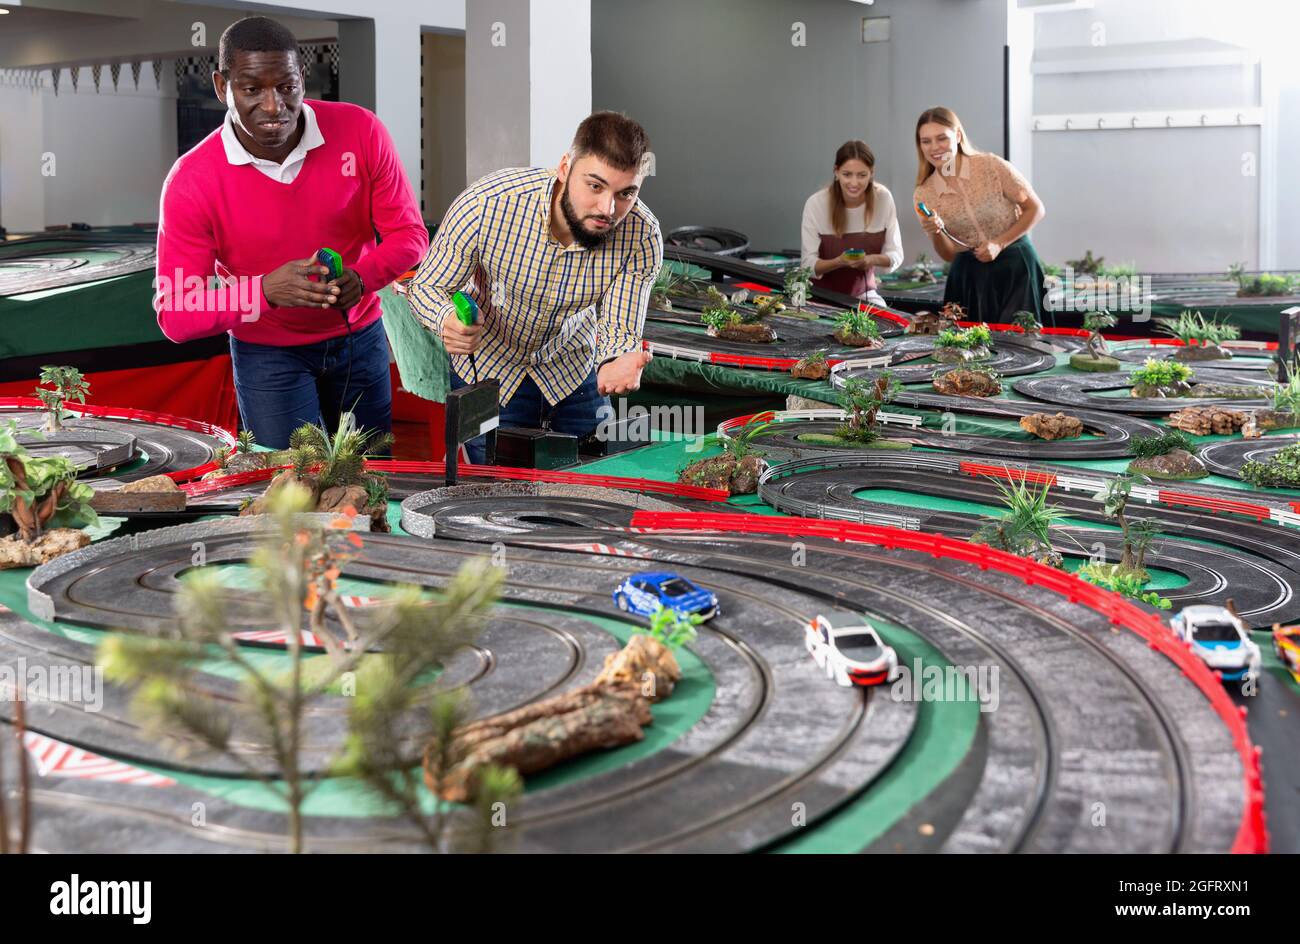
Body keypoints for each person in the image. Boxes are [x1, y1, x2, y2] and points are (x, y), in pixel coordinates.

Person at [153, 16, 428, 447]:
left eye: (286, 86)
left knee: (373, 474)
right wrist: (266, 291)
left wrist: (362, 277)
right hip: (268, 355)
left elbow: (410, 236)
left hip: (360, 338)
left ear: (302, 78)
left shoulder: (360, 130)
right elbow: (176, 313)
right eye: (251, 89)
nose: (272, 105)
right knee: (293, 490)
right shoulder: (191, 179)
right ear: (222, 86)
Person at [407, 111, 662, 464]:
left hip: (573, 370)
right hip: (489, 367)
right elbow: (427, 287)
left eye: (626, 193)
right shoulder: (487, 205)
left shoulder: (642, 236)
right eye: (595, 185)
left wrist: (617, 358)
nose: (608, 208)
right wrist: (445, 318)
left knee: (590, 487)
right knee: (495, 495)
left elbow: (620, 325)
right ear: (564, 168)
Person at [912, 106, 1047, 323]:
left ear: (957, 135)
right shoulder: (923, 194)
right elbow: (948, 255)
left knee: (1022, 344)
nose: (934, 147)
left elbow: (1036, 209)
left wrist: (999, 243)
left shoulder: (991, 166)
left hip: (1016, 268)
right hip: (968, 278)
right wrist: (936, 232)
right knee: (972, 352)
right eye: (926, 141)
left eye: (941, 138)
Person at [800, 139, 903, 307]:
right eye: (847, 174)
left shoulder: (883, 198)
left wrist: (870, 260)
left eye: (862, 175)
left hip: (863, 294)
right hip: (820, 297)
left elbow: (896, 255)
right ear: (836, 171)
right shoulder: (816, 203)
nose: (854, 183)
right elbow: (807, 265)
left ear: (871, 173)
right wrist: (839, 262)